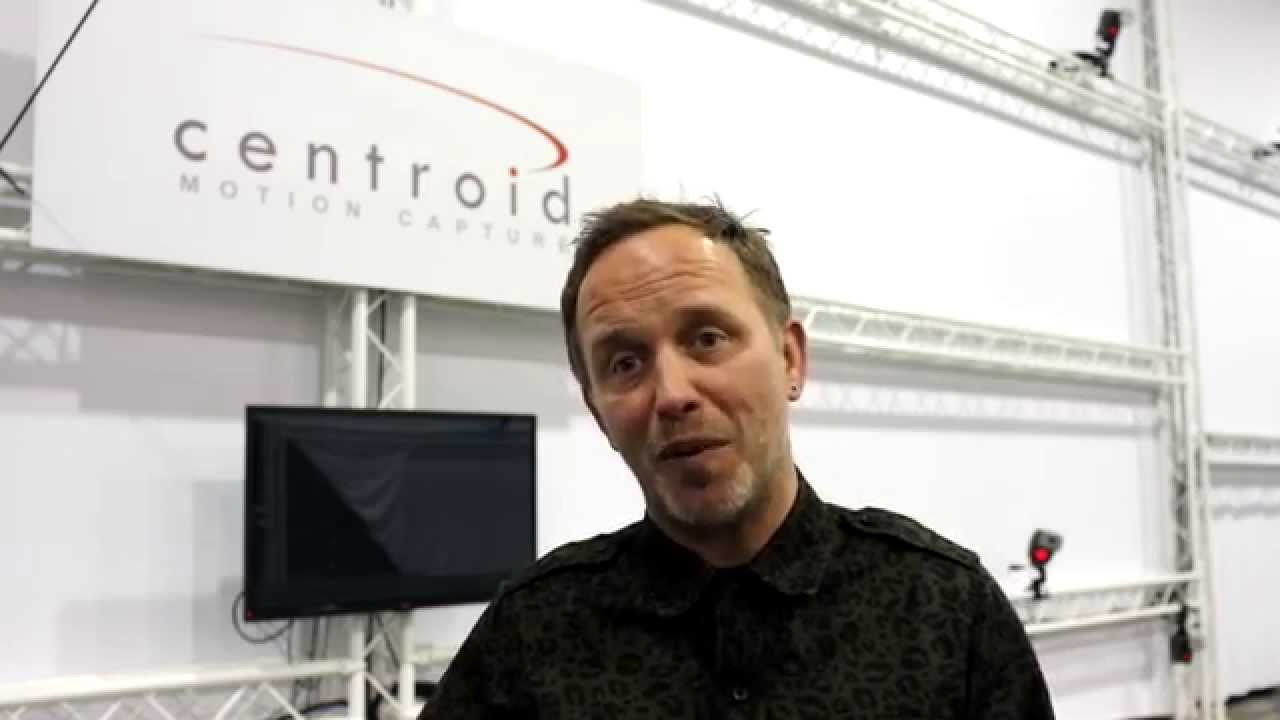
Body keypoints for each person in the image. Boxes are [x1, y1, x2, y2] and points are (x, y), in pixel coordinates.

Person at [419, 199, 1056, 719]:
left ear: (790, 359)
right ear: (597, 410)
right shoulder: (533, 634)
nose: (672, 394)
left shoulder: (944, 609)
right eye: (625, 363)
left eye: (707, 338)